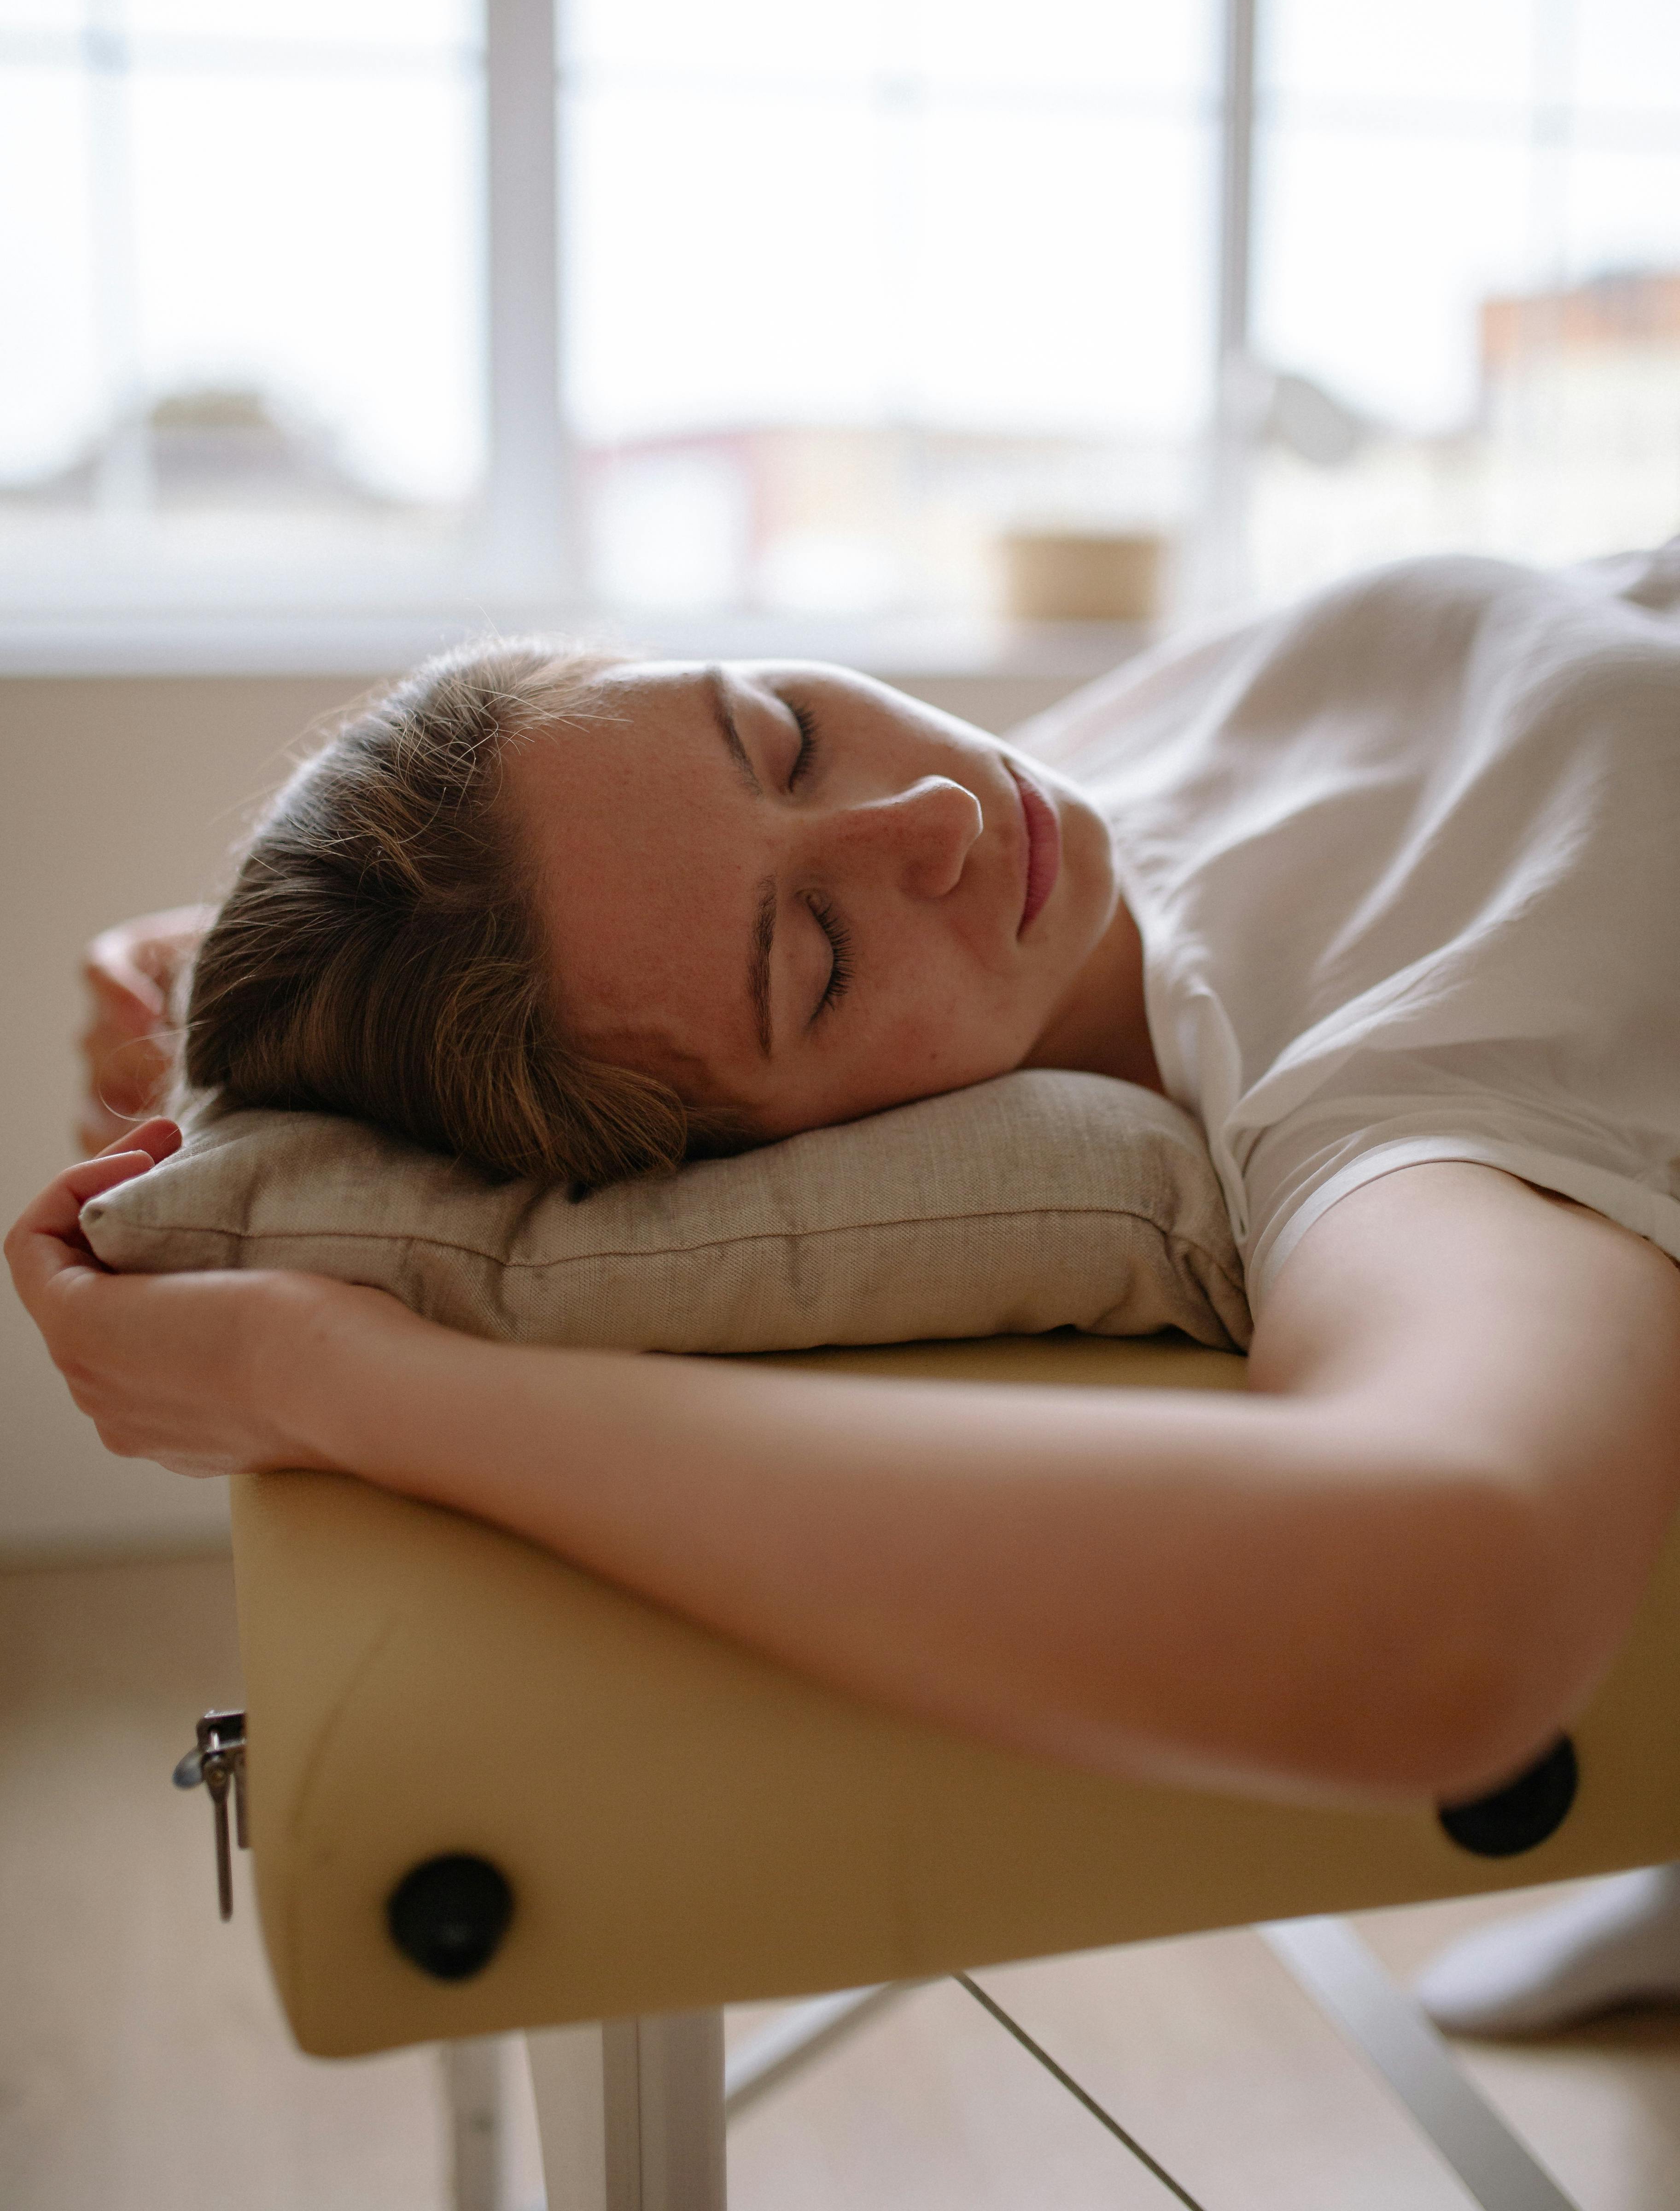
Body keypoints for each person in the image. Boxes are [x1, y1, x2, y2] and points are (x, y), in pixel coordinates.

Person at [12, 548, 1680, 1861]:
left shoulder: (1071, 806)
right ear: (774, 1160)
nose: (936, 816)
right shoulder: (1398, 1055)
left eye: (779, 733)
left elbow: (612, 879)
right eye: (814, 957)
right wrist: (330, 1379)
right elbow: (1441, 1610)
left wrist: (247, 951)